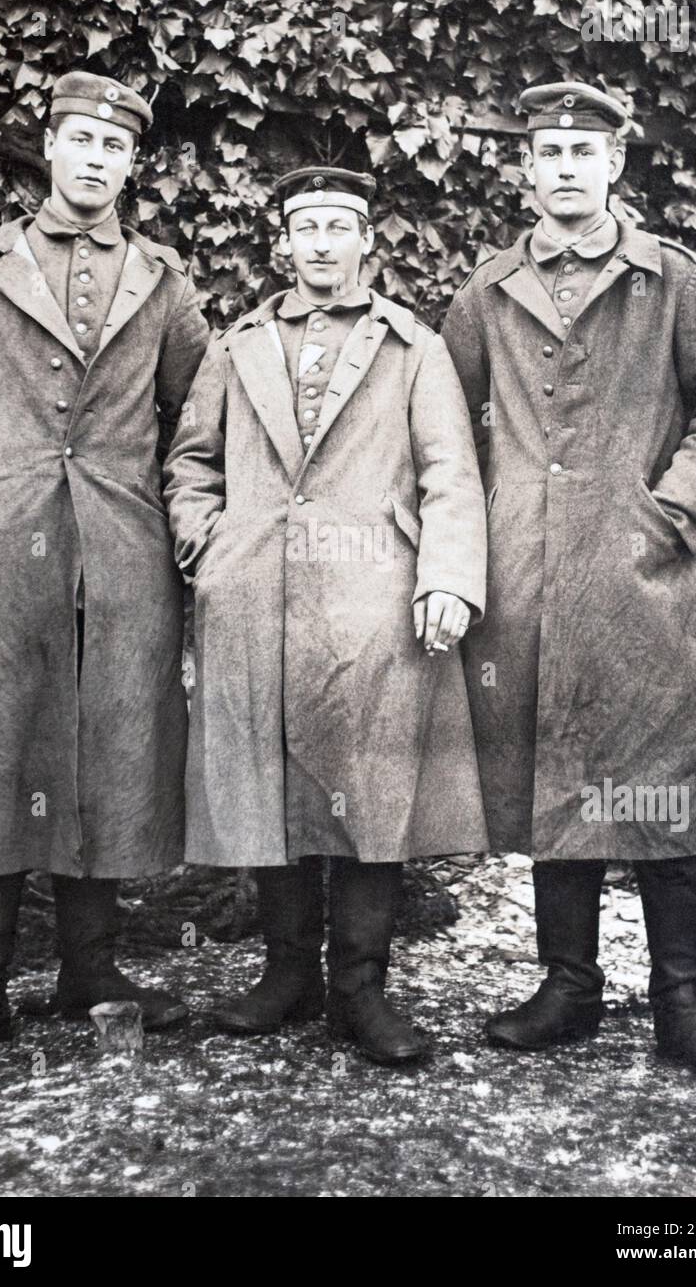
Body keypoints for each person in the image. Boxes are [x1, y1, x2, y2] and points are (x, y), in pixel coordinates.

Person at [442, 81, 696, 1078]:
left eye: (586, 152)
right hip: (532, 585)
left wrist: (667, 518)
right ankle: (570, 984)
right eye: (549, 153)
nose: (567, 169)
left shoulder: (673, 279)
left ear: (617, 164)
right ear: (526, 171)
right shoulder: (486, 293)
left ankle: (684, 1001)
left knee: (670, 782)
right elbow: (444, 431)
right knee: (560, 773)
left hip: (650, 581)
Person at [0, 71, 209, 1057]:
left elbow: (199, 411)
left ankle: (91, 967)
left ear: (130, 164)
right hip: (5, 556)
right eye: (79, 140)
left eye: (113, 147)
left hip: (122, 556)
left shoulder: (162, 279)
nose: (95, 159)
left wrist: (173, 513)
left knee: (111, 749)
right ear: (52, 146)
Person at [164, 166, 487, 1064]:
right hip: (255, 600)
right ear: (283, 240)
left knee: (370, 794)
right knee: (267, 786)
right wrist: (210, 549)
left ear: (364, 240)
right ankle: (285, 977)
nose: (319, 242)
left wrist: (447, 579)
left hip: (369, 602)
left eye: (337, 226)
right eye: (304, 225)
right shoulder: (236, 347)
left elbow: (450, 473)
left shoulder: (410, 348)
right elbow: (190, 464)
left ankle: (360, 988)